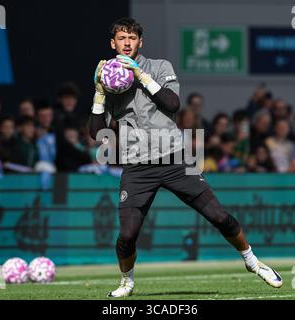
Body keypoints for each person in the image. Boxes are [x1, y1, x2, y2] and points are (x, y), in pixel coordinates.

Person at [89, 17, 282, 298]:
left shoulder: (160, 67)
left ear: (140, 42)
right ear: (113, 43)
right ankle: (126, 282)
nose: (127, 42)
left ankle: (253, 262)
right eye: (121, 38)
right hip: (137, 167)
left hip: (176, 158)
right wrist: (98, 92)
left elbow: (173, 104)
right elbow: (98, 134)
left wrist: (142, 77)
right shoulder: (110, 78)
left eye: (132, 38)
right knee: (128, 235)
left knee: (219, 216)